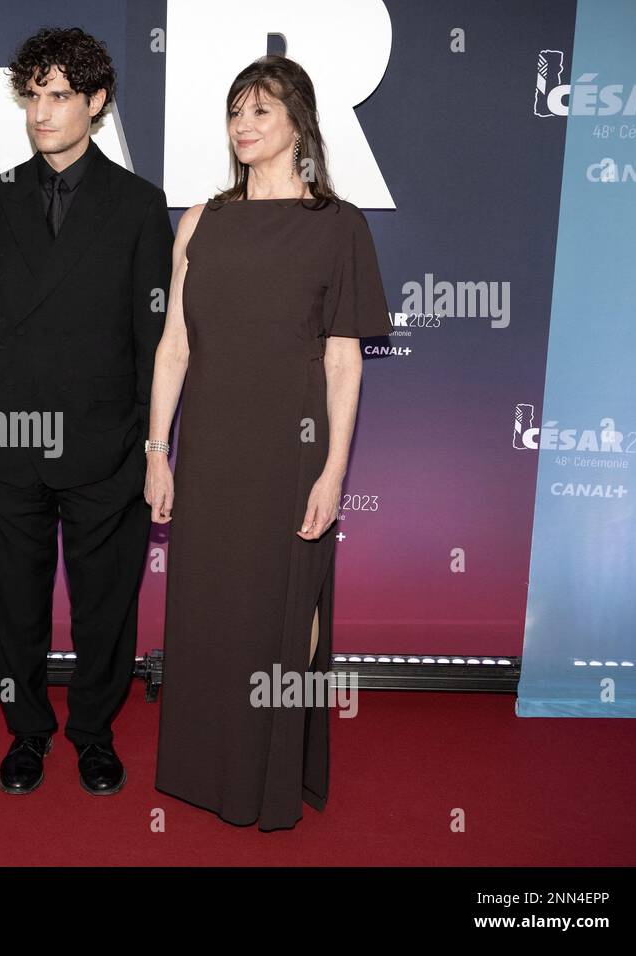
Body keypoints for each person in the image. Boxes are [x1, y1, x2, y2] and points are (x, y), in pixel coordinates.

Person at [147, 55, 393, 830]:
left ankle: (274, 772)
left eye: (261, 111)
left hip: (291, 449)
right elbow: (174, 347)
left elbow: (343, 359)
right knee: (211, 611)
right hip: (212, 449)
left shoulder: (338, 225)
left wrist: (332, 471)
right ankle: (209, 770)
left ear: (299, 124)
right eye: (235, 113)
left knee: (286, 610)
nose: (244, 126)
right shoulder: (203, 220)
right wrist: (158, 450)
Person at [0, 27, 173, 796]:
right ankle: (26, 732)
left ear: (96, 102)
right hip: (3, 450)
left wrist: (149, 446)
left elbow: (155, 339)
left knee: (104, 609)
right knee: (11, 608)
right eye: (32, 97)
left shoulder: (140, 207)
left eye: (58, 97)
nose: (41, 113)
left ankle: (92, 732)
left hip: (103, 448)